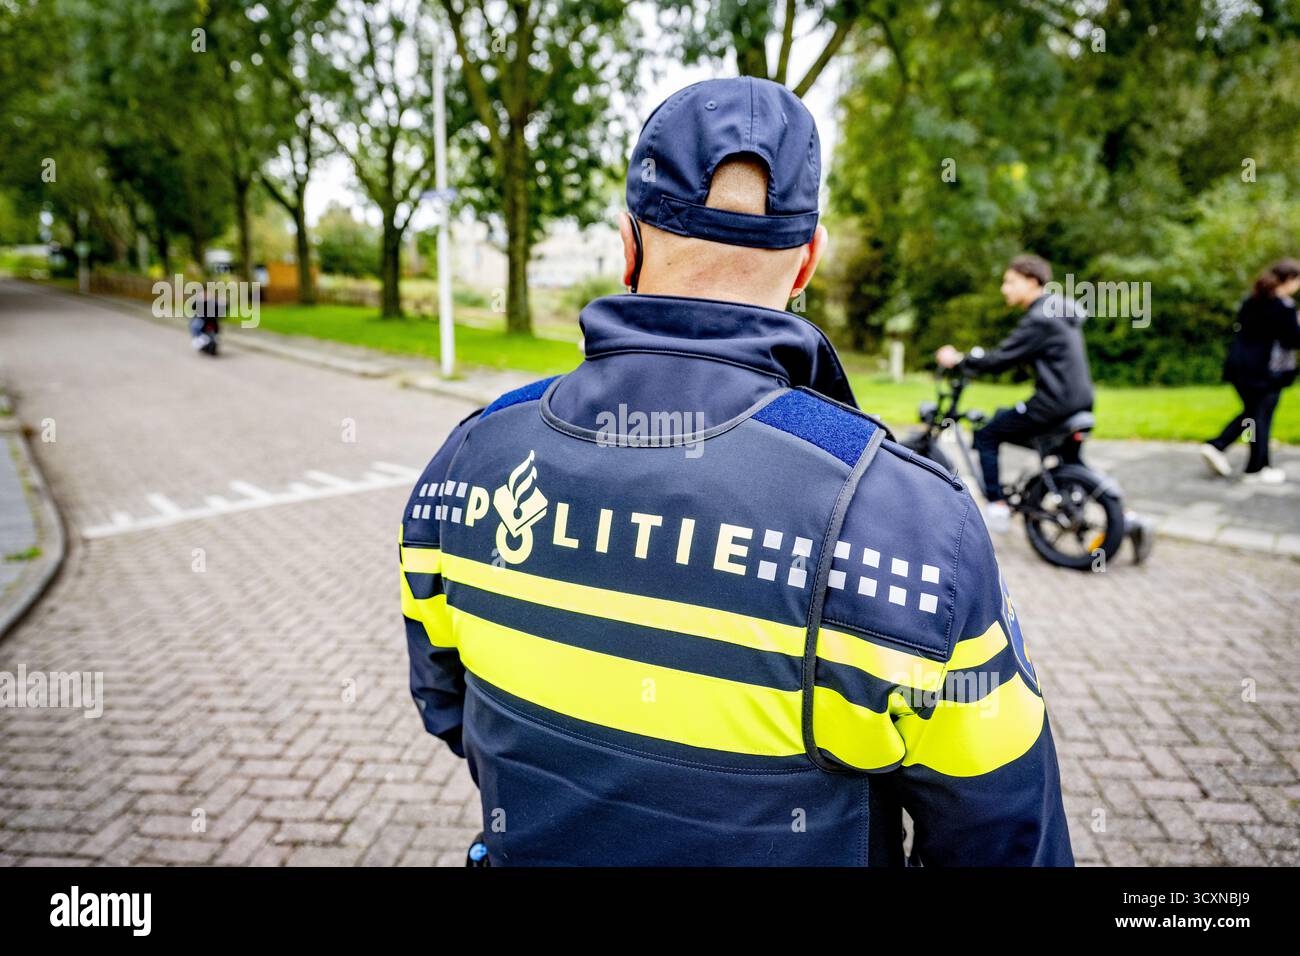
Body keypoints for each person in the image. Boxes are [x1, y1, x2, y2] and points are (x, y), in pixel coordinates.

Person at [399, 78, 1072, 866]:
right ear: (807, 261)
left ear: (628, 243)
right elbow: (1005, 838)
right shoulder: (909, 520)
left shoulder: (468, 457)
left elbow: (449, 706)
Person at [935, 255, 1093, 532]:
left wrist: (960, 361)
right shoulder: (1057, 310)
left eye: (1010, 282)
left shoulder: (1040, 318)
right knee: (1071, 459)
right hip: (1078, 401)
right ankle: (1123, 516)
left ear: (1032, 282)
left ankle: (996, 507)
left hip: (1052, 403)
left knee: (987, 433)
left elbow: (1001, 359)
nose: (1003, 289)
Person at [1200, 258, 1300, 484]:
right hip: (1264, 372)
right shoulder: (1282, 305)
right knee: (1260, 417)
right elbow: (1292, 339)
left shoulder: (1252, 300)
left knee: (1253, 416)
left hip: (1239, 366)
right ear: (1290, 279)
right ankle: (1254, 467)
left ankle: (1220, 446)